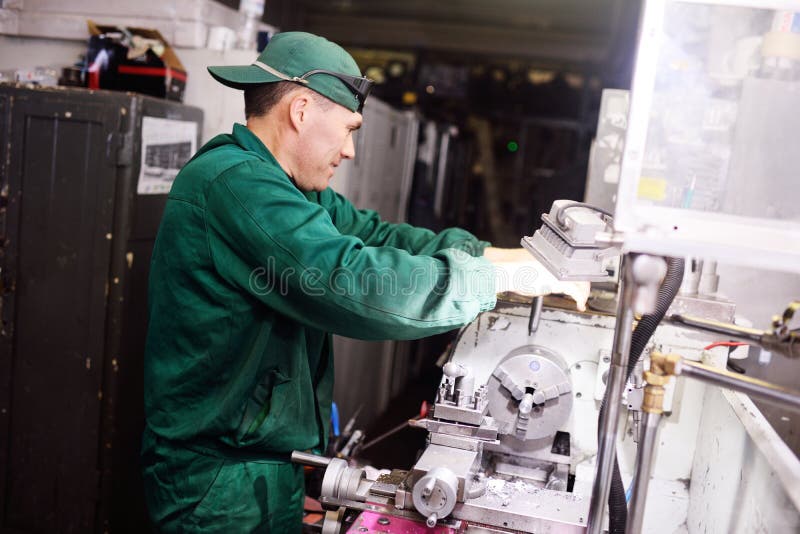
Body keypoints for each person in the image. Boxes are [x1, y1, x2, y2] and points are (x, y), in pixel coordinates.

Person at [141, 31, 587, 533]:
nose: (350, 151)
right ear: (301, 110)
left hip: (262, 470)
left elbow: (379, 237)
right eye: (348, 129)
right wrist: (495, 279)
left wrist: (509, 260)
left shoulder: (292, 189)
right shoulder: (234, 183)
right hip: (218, 484)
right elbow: (351, 281)